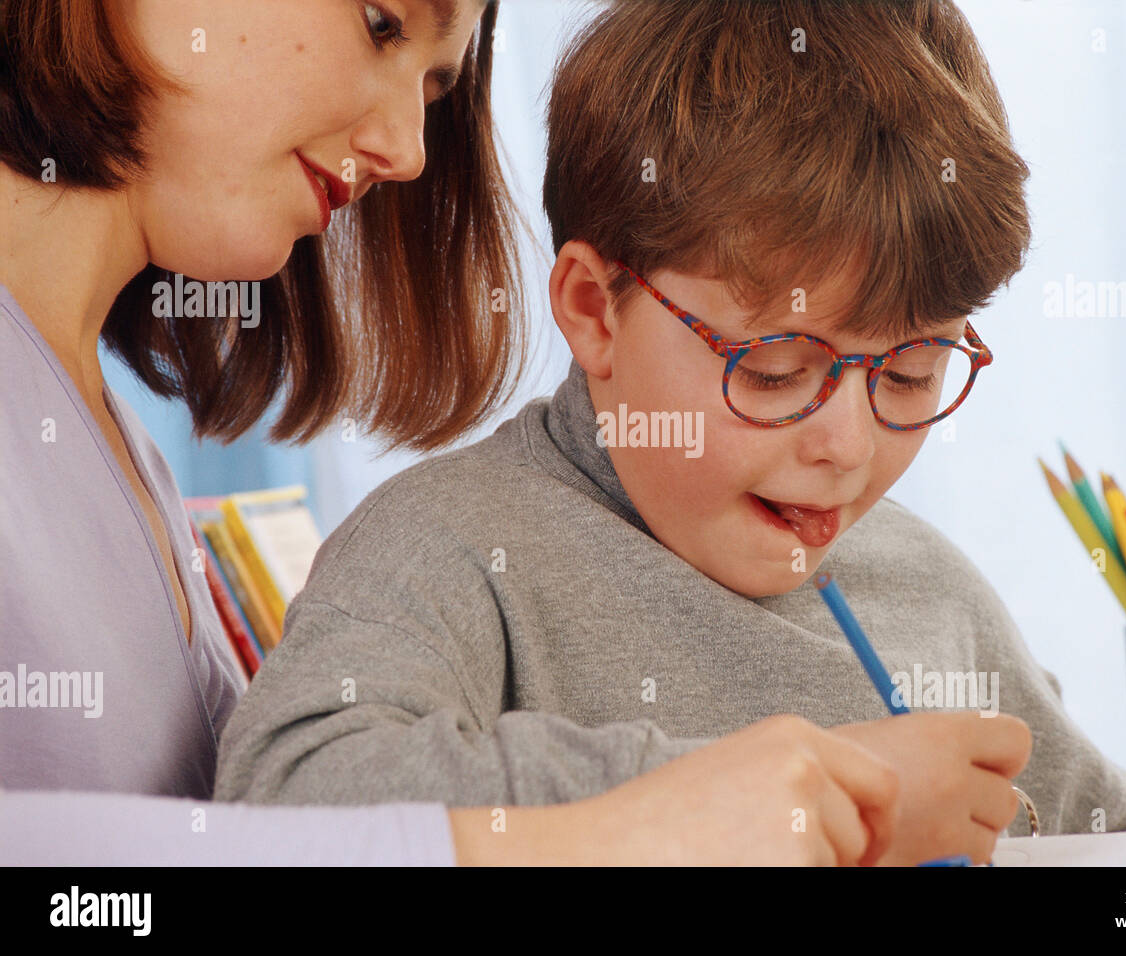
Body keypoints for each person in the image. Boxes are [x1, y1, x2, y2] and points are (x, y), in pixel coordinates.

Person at [0, 0, 932, 867]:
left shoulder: (104, 437)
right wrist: (613, 834)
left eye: (435, 90)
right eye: (379, 22)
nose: (408, 151)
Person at [214, 0, 1126, 867]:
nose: (847, 447)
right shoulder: (454, 548)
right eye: (775, 369)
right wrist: (775, 800)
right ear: (594, 310)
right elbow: (287, 801)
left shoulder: (932, 593)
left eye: (910, 373)